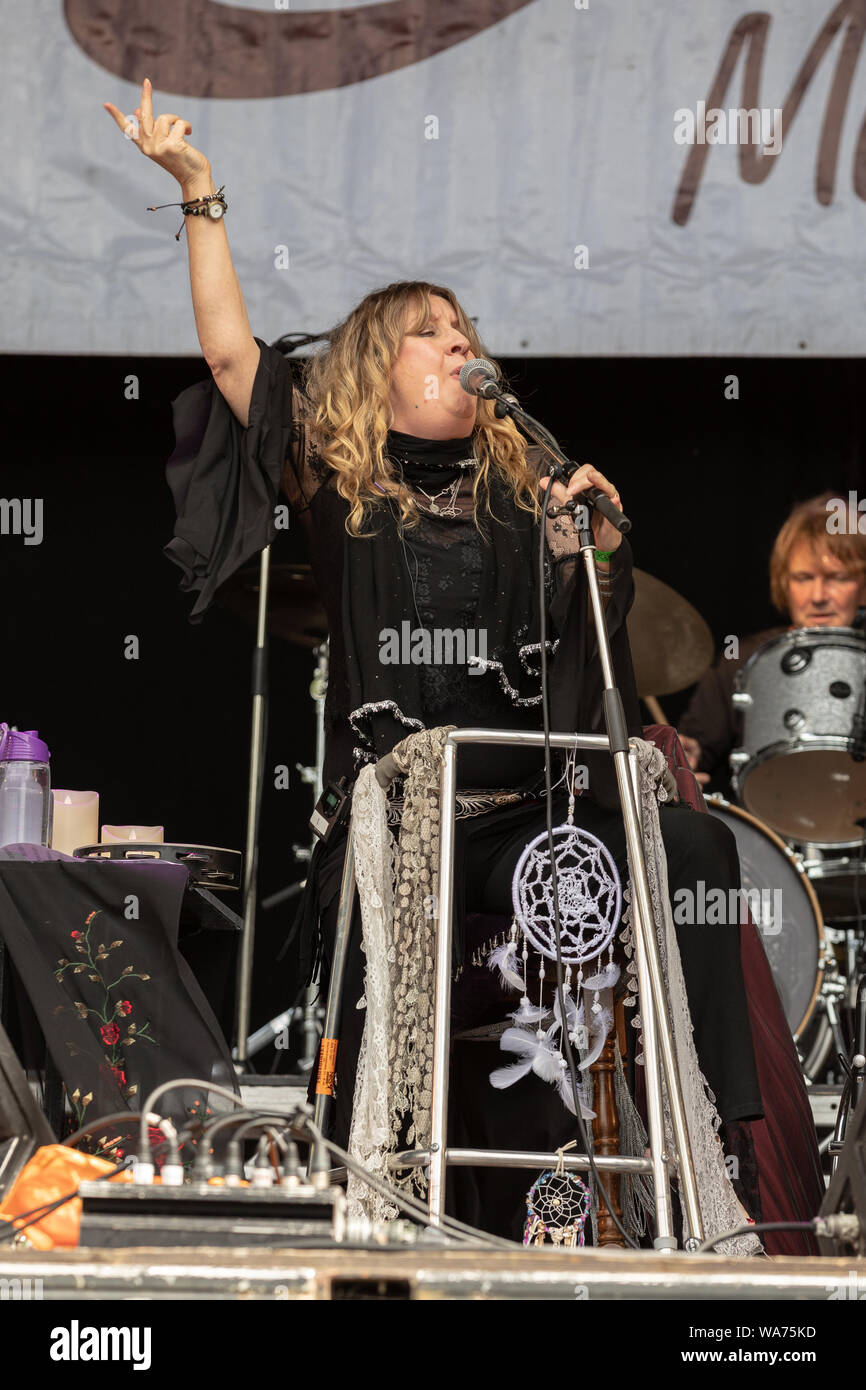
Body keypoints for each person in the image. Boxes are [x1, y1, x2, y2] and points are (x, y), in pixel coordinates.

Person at [105, 81, 820, 1244]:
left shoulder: (518, 486)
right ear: (377, 369)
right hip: (408, 817)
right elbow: (233, 354)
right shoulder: (340, 479)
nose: (460, 346)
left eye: (465, 331)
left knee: (688, 842)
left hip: (523, 810)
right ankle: (405, 1162)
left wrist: (588, 554)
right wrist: (200, 192)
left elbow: (584, 666)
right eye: (433, 332)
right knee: (514, 872)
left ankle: (711, 1143)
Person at [678, 493, 866, 791]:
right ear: (784, 582)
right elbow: (694, 747)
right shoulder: (745, 659)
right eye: (803, 578)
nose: (818, 596)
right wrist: (683, 757)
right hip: (765, 829)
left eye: (837, 577)